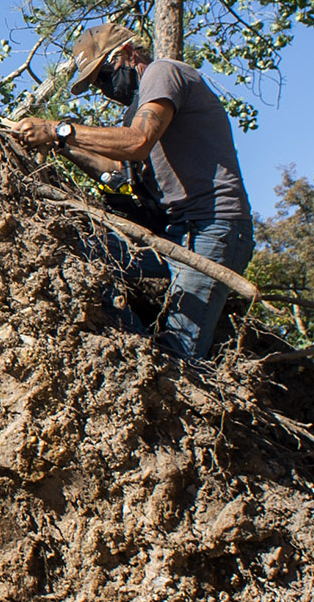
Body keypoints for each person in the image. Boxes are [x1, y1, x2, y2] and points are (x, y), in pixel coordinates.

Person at [13, 24, 255, 361]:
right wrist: (60, 144)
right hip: (174, 233)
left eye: (104, 75)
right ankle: (134, 350)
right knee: (83, 249)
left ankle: (155, 368)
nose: (104, 88)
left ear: (127, 54)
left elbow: (138, 142)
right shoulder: (137, 108)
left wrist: (59, 129)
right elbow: (118, 173)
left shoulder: (162, 72)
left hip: (213, 228)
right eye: (97, 83)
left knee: (179, 353)